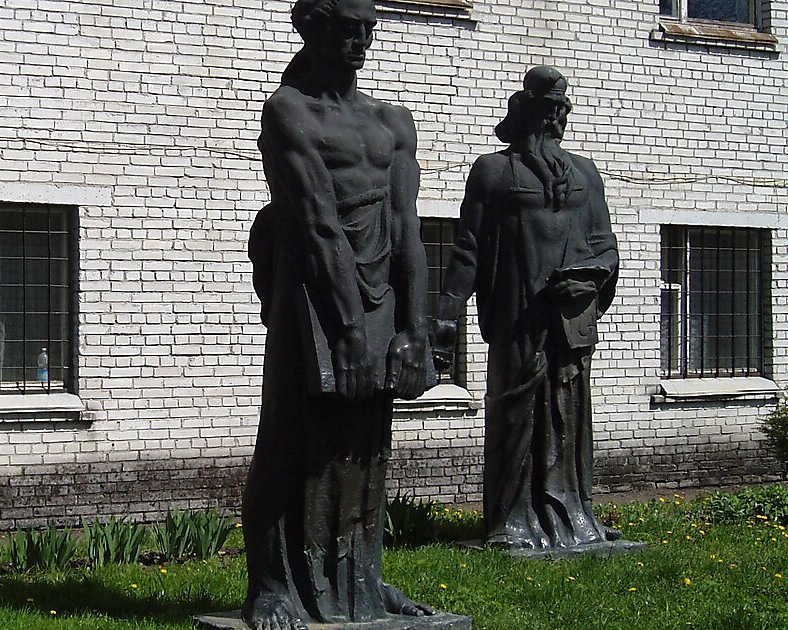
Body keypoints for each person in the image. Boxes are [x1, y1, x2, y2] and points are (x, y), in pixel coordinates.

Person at [243, 0, 434, 627]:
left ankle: (362, 586)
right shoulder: (289, 111)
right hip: (311, 298)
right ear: (312, 27)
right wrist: (347, 327)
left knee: (365, 447)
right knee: (289, 437)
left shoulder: (391, 121)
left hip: (378, 297)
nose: (360, 39)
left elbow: (409, 227)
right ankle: (272, 586)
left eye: (368, 28)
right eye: (346, 28)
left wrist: (415, 329)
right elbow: (315, 221)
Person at [433, 66, 621, 550]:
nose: (557, 115)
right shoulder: (493, 171)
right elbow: (468, 248)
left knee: (568, 416)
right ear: (526, 109)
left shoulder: (584, 172)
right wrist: (444, 316)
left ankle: (573, 514)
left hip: (567, 320)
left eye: (563, 106)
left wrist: (588, 280)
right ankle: (512, 519)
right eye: (549, 106)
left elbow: (605, 245)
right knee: (515, 416)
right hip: (517, 319)